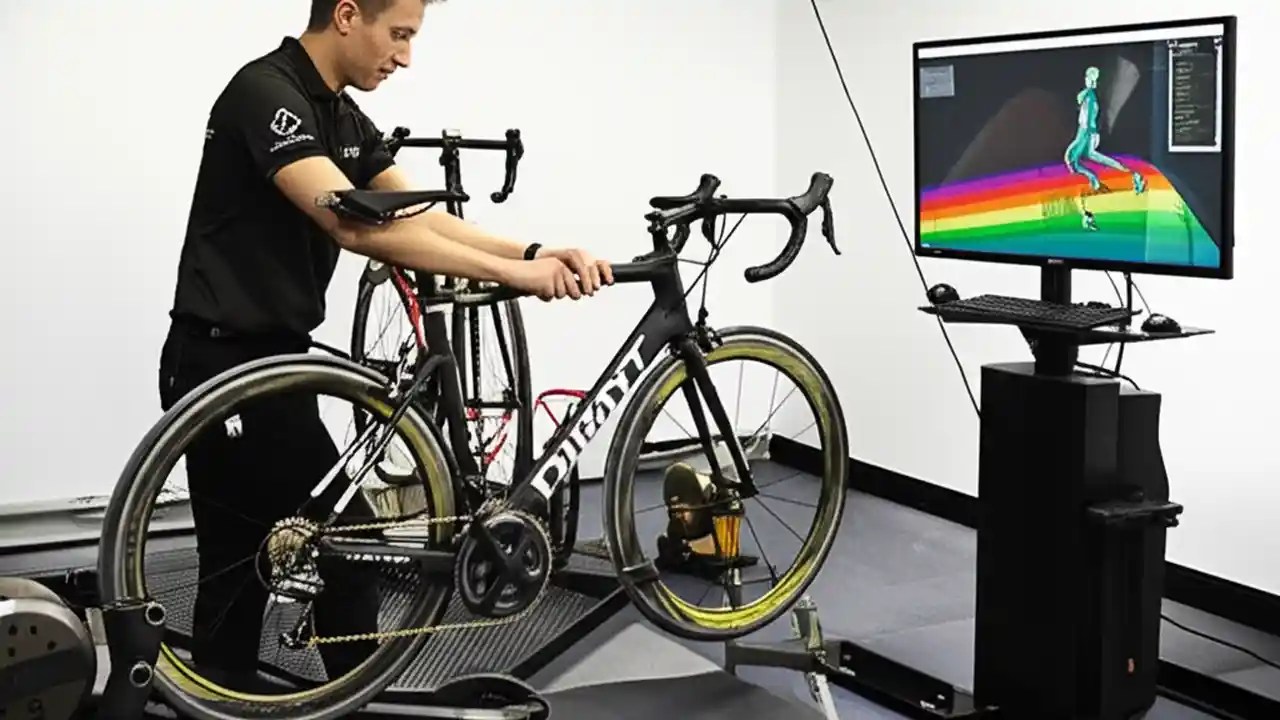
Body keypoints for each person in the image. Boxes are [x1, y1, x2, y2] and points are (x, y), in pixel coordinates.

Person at [159, 0, 612, 690]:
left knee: (242, 558)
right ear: (347, 15)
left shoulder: (339, 113)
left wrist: (533, 250)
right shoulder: (266, 94)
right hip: (223, 361)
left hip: (273, 359)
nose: (404, 56)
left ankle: (233, 696)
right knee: (331, 550)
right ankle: (341, 698)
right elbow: (353, 225)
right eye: (398, 34)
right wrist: (516, 274)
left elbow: (416, 214)